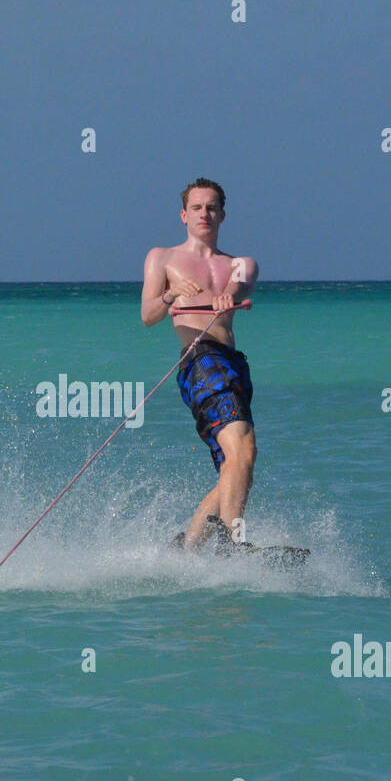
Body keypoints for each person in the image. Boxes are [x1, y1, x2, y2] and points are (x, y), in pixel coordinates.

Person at [139, 178, 259, 551]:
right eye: (196, 207)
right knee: (244, 451)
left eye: (211, 207)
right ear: (183, 215)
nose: (204, 213)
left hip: (233, 365)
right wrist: (171, 293)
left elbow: (242, 284)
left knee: (236, 467)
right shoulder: (163, 257)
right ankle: (232, 544)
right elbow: (148, 315)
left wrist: (228, 296)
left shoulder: (239, 263)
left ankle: (188, 547)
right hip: (199, 359)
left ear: (222, 214)